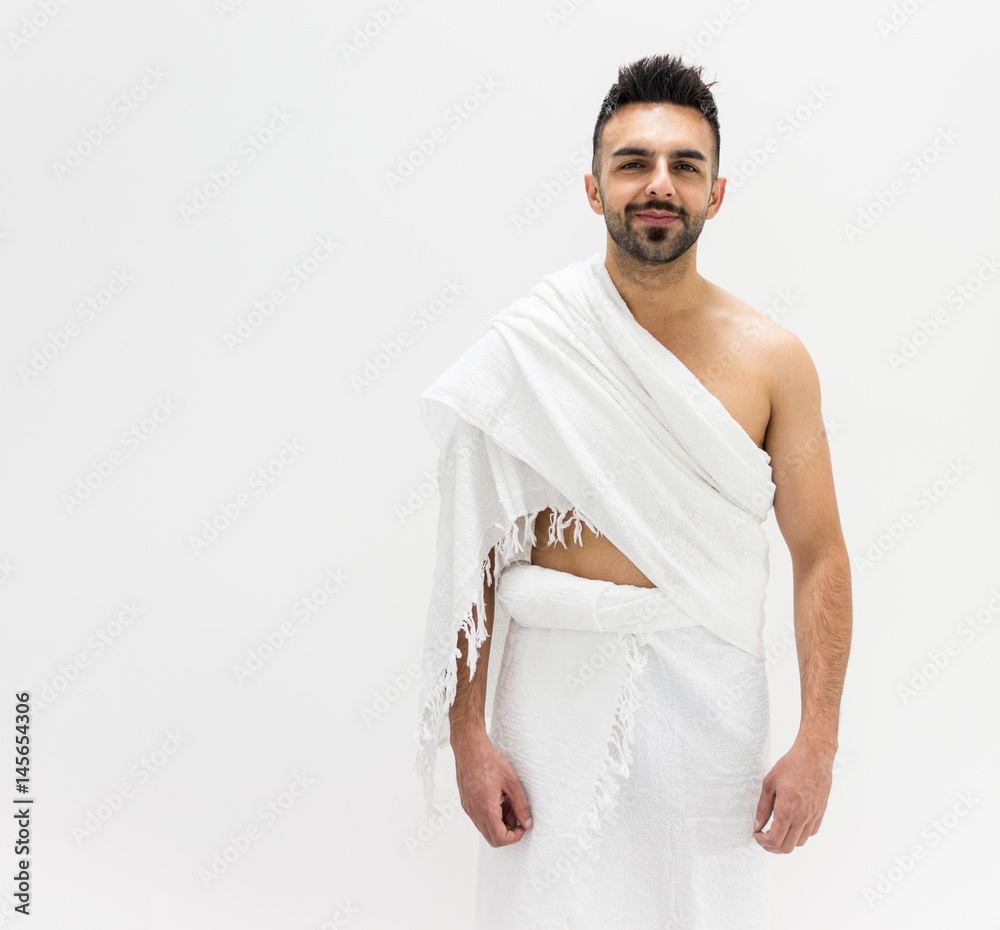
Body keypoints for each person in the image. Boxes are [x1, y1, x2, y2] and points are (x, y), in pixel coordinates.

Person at [413, 52, 852, 929]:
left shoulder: (774, 361)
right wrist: (468, 735)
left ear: (716, 193)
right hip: (547, 702)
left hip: (713, 702)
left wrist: (818, 743)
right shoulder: (530, 348)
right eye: (634, 163)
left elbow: (819, 555)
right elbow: (473, 548)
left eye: (686, 166)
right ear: (592, 187)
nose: (660, 185)